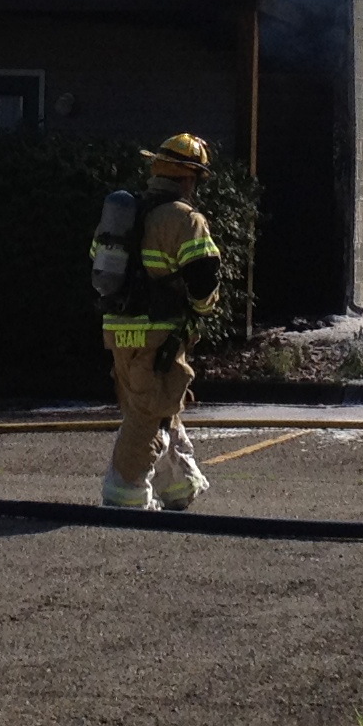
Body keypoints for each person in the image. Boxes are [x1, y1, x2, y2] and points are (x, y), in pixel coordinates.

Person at [99, 132, 224, 509]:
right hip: (157, 335)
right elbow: (204, 277)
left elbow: (101, 265)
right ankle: (124, 493)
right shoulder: (184, 219)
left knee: (156, 404)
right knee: (149, 414)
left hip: (118, 330)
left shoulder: (125, 213)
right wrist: (202, 312)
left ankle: (178, 487)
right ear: (188, 178)